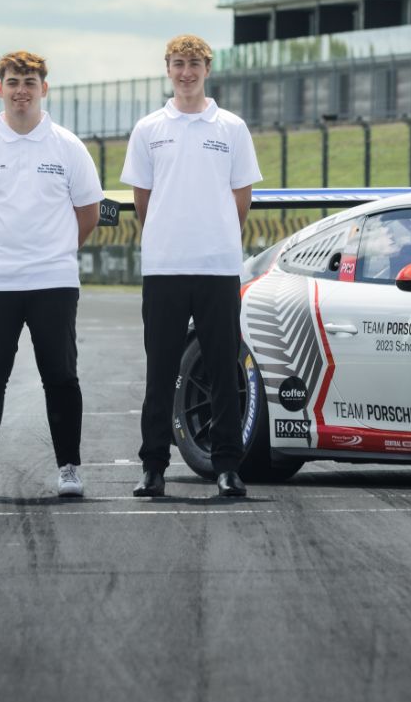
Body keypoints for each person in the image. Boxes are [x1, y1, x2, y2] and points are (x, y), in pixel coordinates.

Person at [0, 51, 103, 499]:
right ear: (0, 88)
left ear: (44, 89)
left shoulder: (67, 146)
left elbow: (88, 213)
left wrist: (54, 252)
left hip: (53, 281)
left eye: (30, 82)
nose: (21, 90)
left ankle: (69, 468)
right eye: (13, 81)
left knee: (61, 376)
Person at [121, 34, 261, 499]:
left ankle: (226, 466)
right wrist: (171, 236)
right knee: (160, 369)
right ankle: (153, 467)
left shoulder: (232, 128)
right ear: (168, 68)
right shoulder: (148, 129)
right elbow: (143, 201)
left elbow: (241, 200)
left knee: (224, 368)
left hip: (219, 266)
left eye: (195, 64)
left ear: (207, 69)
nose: (186, 72)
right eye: (179, 64)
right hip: (164, 268)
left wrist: (213, 236)